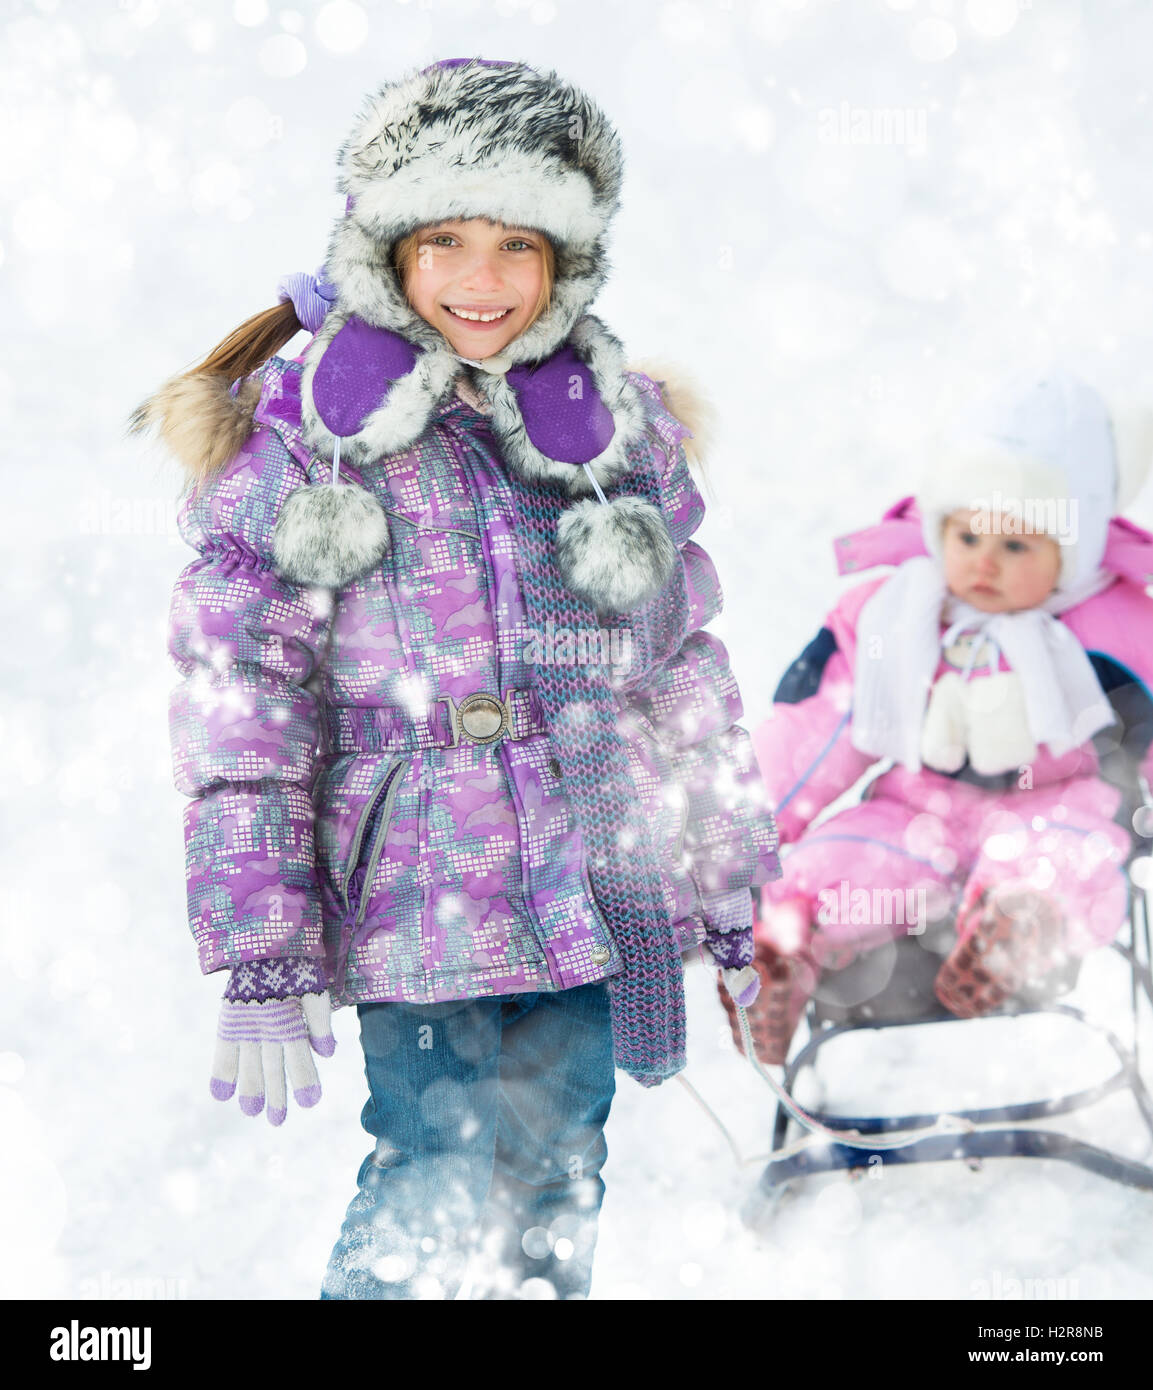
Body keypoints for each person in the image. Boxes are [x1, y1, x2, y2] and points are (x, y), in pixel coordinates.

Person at [135, 58, 778, 1301]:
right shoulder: (308, 437)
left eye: (518, 246)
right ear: (388, 250)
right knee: (429, 1169)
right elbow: (243, 707)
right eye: (444, 241)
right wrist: (262, 944)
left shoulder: (601, 432)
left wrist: (724, 878)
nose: (482, 282)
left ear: (567, 262)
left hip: (589, 885)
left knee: (558, 1166)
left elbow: (679, 676)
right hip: (411, 897)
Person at [720, 369, 1153, 1065]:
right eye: (966, 536)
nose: (984, 562)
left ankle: (1013, 935)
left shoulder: (1116, 631)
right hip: (915, 810)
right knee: (836, 862)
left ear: (1069, 554)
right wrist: (742, 839)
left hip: (1054, 803)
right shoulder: (898, 616)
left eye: (1015, 546)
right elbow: (816, 730)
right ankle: (786, 949)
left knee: (1065, 856)